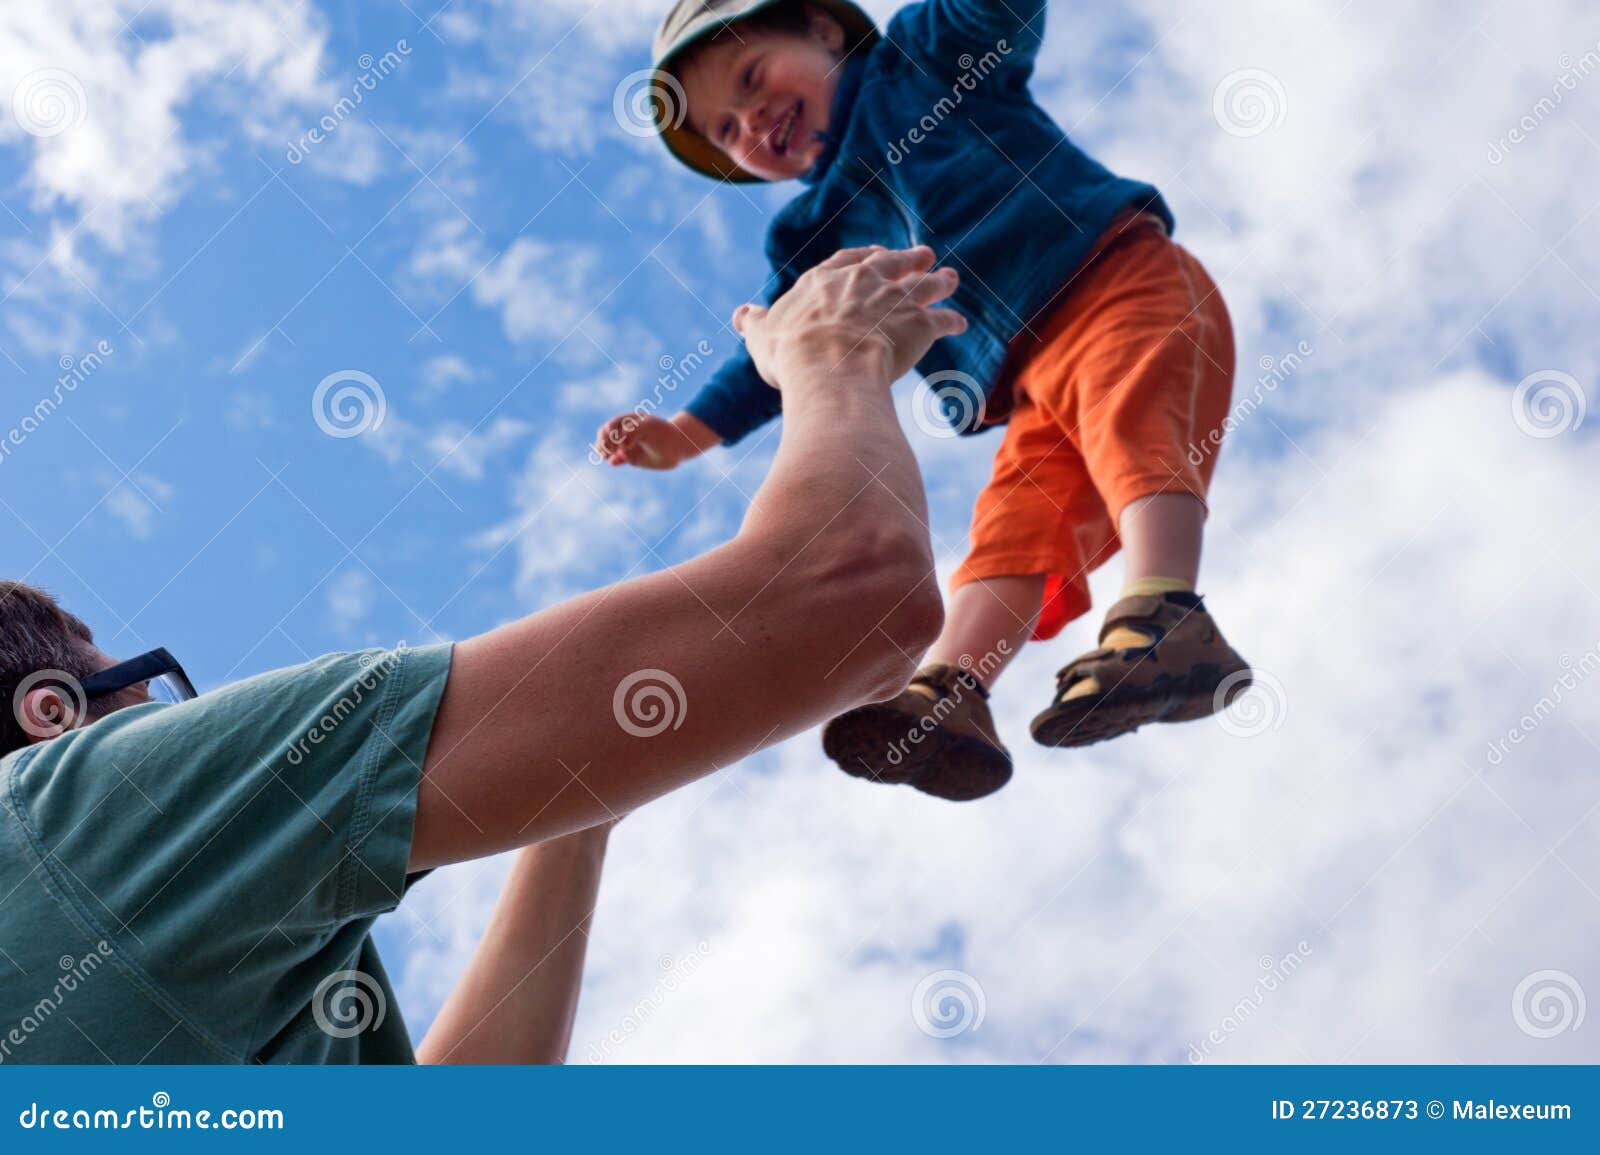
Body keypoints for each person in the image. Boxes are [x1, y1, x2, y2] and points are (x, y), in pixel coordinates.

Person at [0, 244, 962, 1064]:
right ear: (52, 712)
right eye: (148, 692)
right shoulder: (81, 816)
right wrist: (835, 350)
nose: (176, 720)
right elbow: (849, 592)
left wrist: (582, 797)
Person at [596, 0, 1252, 803]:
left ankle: (1165, 612)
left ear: (824, 28)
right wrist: (685, 432)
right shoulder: (810, 233)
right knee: (1010, 529)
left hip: (1117, 280)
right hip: (1030, 384)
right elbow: (782, 345)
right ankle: (951, 691)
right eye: (727, 131)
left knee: (1131, 424)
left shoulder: (923, 59)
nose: (751, 120)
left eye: (751, 76)